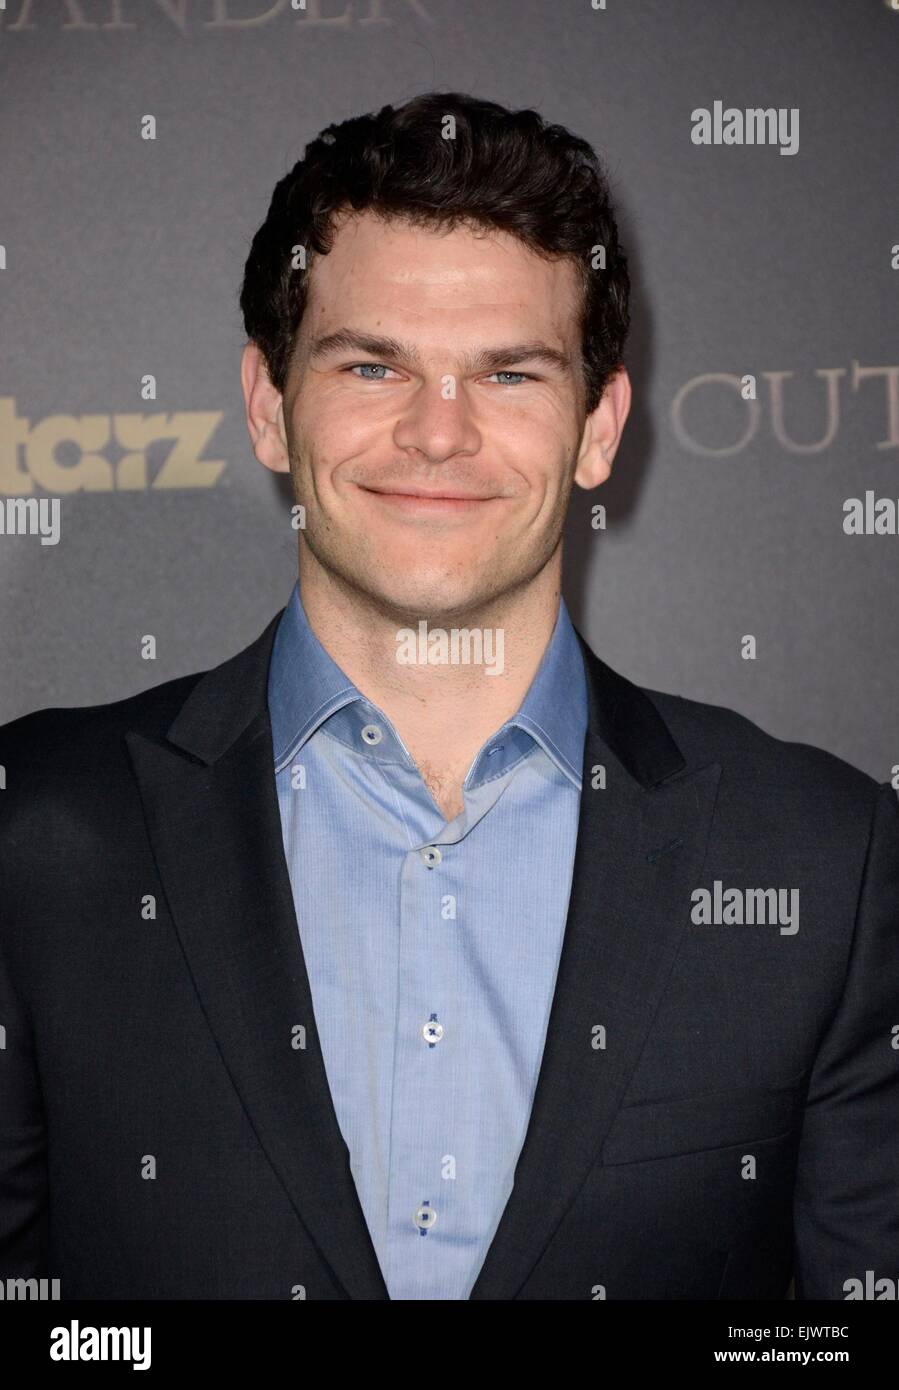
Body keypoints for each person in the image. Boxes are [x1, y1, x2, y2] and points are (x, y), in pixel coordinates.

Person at [0, 91, 896, 1302]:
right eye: (373, 364)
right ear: (269, 408)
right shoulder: (37, 830)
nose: (438, 432)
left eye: (509, 374)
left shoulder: (820, 861)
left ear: (597, 428)